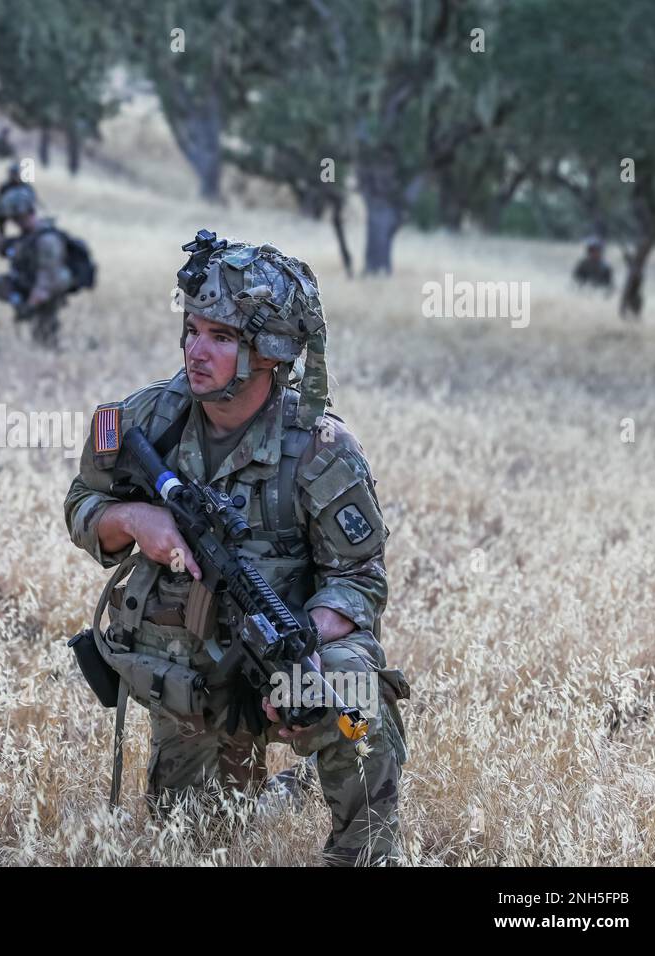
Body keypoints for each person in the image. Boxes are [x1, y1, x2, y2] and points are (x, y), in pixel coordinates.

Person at [63, 234, 410, 866]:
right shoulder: (147, 419)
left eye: (222, 337)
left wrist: (299, 644)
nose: (197, 350)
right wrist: (135, 518)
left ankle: (367, 852)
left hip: (283, 657)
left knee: (357, 694)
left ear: (269, 355)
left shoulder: (320, 450)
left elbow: (360, 578)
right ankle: (271, 792)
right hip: (189, 676)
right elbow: (81, 505)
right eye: (192, 329)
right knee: (197, 844)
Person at [0, 186, 72, 348]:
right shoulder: (26, 237)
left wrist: (28, 307)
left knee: (44, 344)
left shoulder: (47, 240)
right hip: (22, 285)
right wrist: (3, 244)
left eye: (15, 217)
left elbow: (46, 283)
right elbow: (15, 254)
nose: (14, 222)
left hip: (43, 295)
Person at [0, 161, 36, 237]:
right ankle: (1, 235)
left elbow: (32, 198)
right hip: (9, 212)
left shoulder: (25, 185)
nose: (14, 175)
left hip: (26, 212)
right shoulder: (4, 187)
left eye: (15, 173)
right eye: (12, 173)